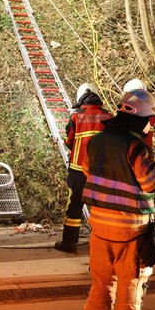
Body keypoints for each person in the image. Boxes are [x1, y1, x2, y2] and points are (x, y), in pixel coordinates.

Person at [80, 88, 155, 310]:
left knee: (102, 279)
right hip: (130, 229)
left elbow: (88, 170)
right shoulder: (136, 147)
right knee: (131, 281)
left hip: (99, 224)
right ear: (144, 119)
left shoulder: (96, 141)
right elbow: (149, 183)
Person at [55, 83, 113, 254]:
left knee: (74, 207)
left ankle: (69, 242)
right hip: (102, 171)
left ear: (80, 98)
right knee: (101, 207)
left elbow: (68, 141)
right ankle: (101, 243)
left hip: (78, 170)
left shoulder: (76, 117)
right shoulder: (108, 116)